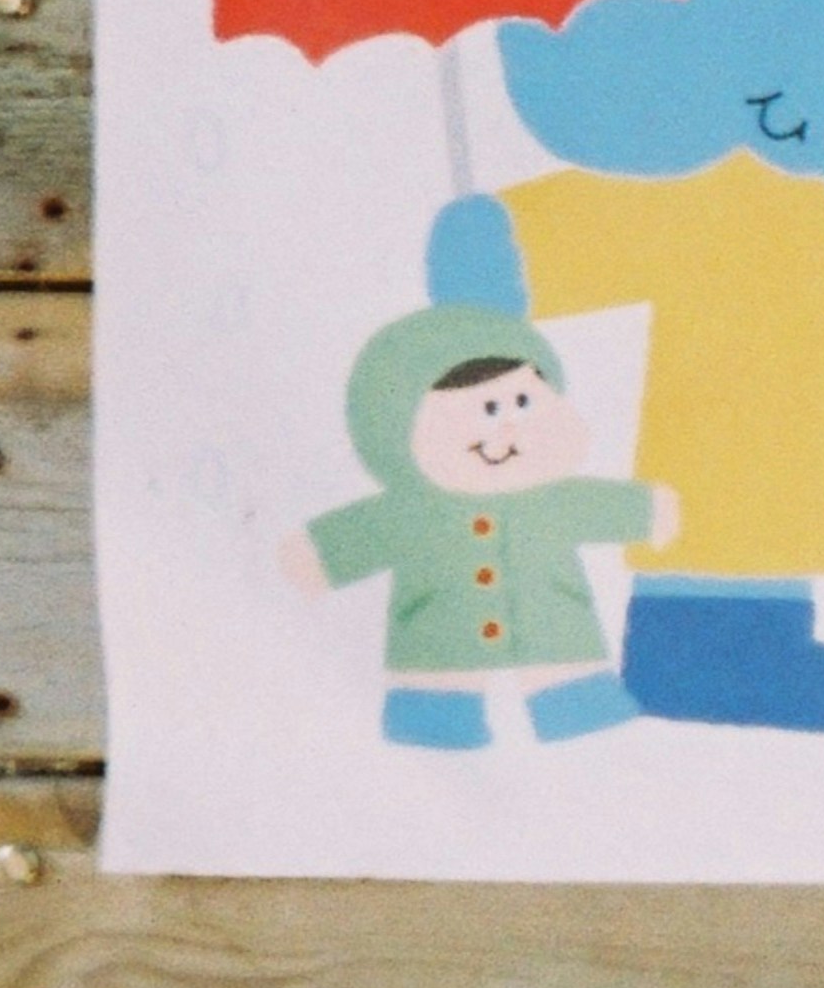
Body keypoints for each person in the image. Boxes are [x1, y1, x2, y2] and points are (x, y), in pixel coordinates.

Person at [285, 303, 675, 748]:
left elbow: (597, 505)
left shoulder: (551, 496)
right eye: (488, 408)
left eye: (523, 402)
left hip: (555, 625)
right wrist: (317, 556)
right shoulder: (412, 510)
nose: (508, 427)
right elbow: (363, 532)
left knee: (571, 683)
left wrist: (648, 511)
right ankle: (433, 723)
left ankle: (580, 709)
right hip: (436, 630)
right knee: (435, 695)